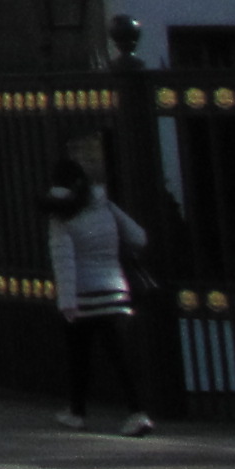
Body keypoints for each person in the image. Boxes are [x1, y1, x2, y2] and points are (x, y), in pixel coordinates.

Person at [46, 145, 153, 437]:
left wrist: (66, 301)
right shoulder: (104, 205)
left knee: (79, 357)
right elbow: (139, 237)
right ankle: (137, 412)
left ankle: (77, 411)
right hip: (115, 290)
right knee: (120, 357)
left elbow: (63, 260)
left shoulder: (61, 215)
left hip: (82, 296)